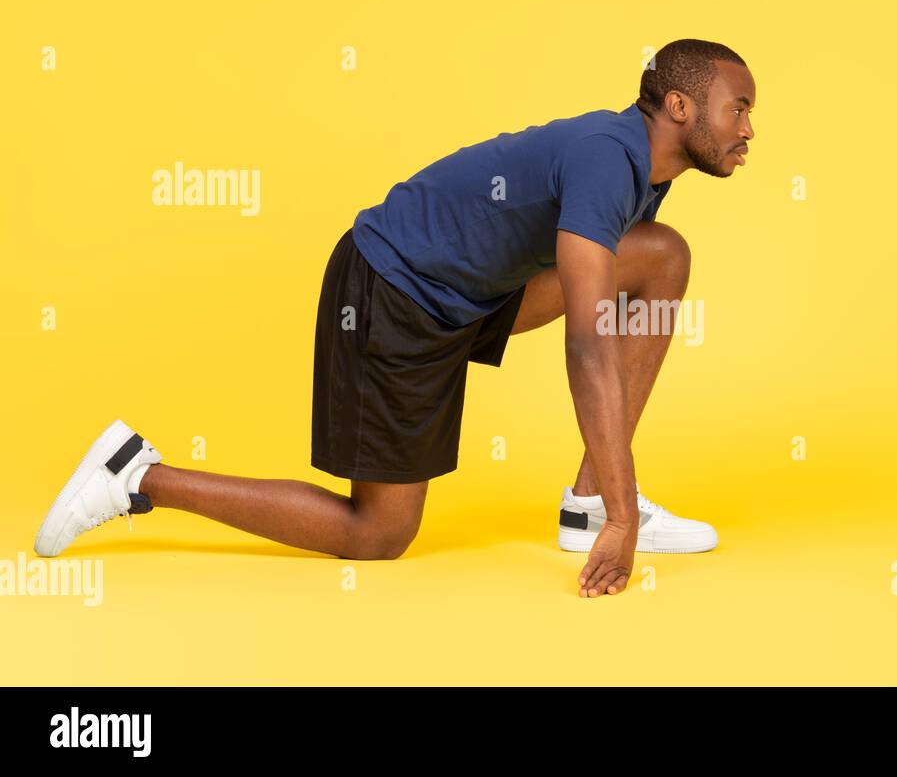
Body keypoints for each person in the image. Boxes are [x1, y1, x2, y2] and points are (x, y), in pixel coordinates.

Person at [34, 38, 756, 598]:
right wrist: (633, 523)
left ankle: (591, 502)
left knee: (659, 256)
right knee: (378, 533)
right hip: (391, 290)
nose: (749, 128)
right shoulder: (608, 157)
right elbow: (589, 344)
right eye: (739, 107)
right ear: (680, 107)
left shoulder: (643, 170)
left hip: (471, 289)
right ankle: (136, 474)